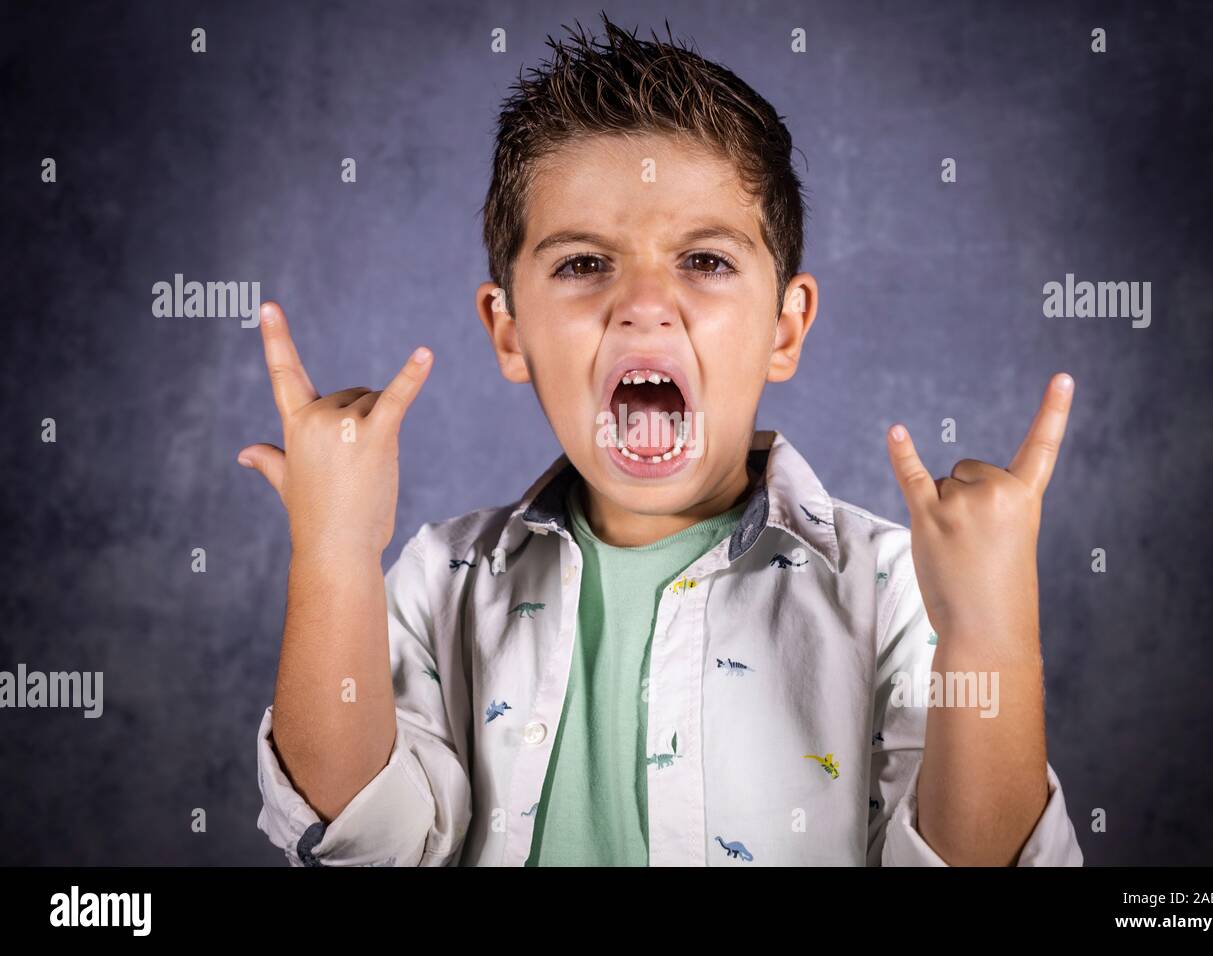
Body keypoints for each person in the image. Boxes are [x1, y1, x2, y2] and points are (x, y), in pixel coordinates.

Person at [240, 13, 1082, 866]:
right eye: (583, 263)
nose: (644, 303)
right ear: (509, 332)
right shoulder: (440, 582)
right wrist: (335, 551)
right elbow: (358, 838)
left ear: (784, 330)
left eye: (705, 261)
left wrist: (989, 633)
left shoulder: (894, 590)